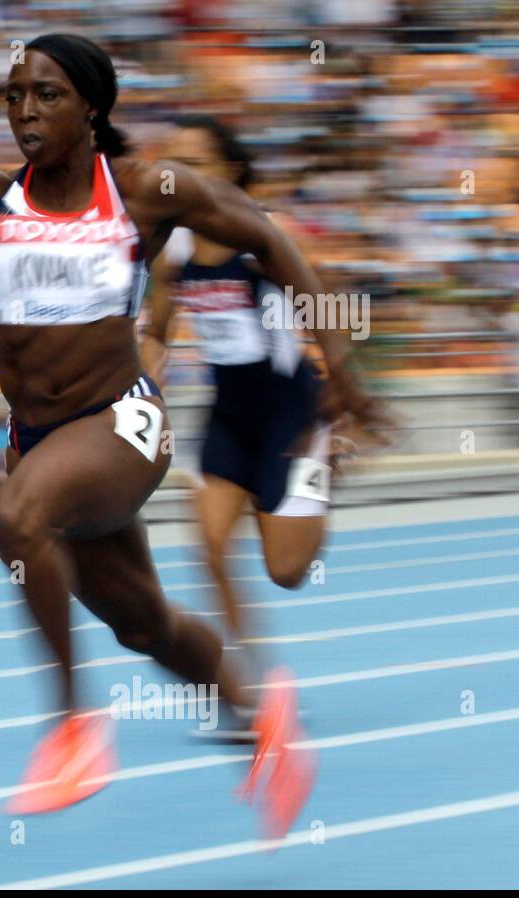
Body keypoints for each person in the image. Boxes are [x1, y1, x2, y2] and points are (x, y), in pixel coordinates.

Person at [0, 35, 382, 835]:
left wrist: (338, 373)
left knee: (13, 519)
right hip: (41, 441)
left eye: (46, 94)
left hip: (123, 425)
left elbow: (271, 240)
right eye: (13, 96)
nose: (25, 111)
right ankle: (261, 714)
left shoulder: (141, 190)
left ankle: (74, 728)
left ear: (92, 108)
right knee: (142, 624)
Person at [141, 115, 345, 711]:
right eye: (172, 162)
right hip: (229, 413)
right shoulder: (172, 250)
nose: (178, 175)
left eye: (195, 162)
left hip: (293, 416)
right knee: (206, 543)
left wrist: (339, 392)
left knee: (285, 571)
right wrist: (150, 373)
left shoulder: (262, 239)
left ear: (228, 171)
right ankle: (252, 684)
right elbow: (157, 331)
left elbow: (326, 309)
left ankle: (314, 479)